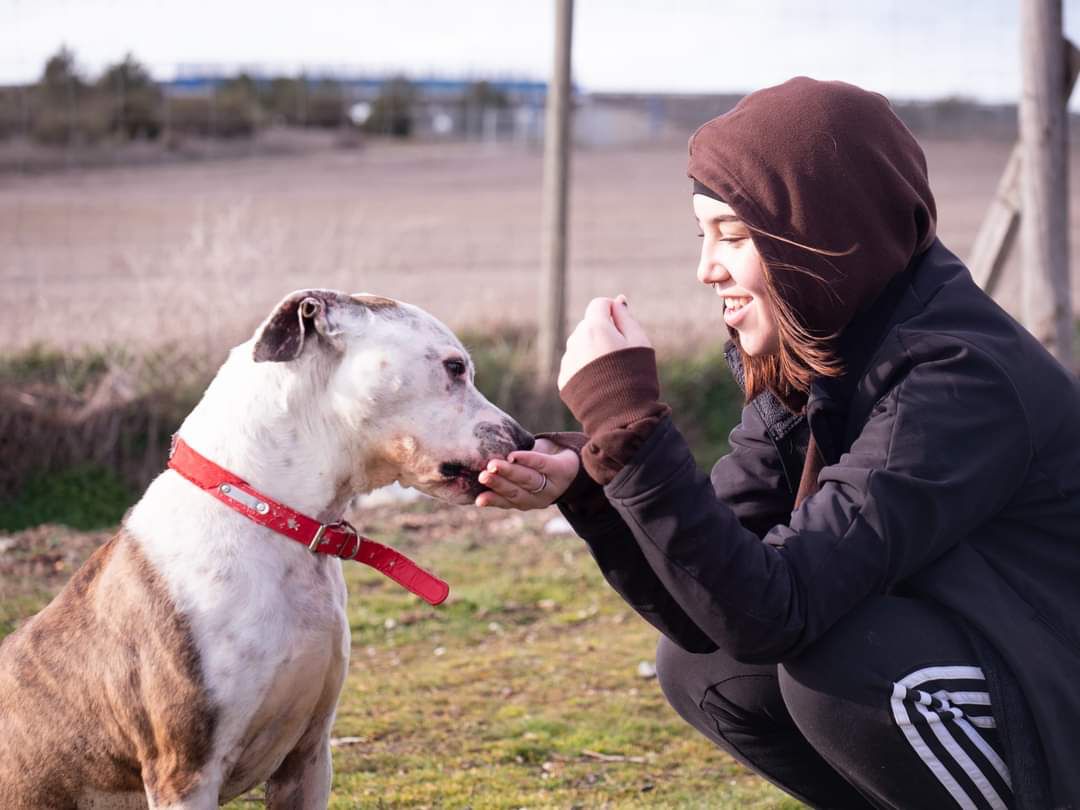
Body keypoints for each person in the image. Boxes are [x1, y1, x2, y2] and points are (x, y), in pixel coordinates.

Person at [475, 77, 1080, 810]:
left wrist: (627, 423)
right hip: (980, 668)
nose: (708, 268)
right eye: (704, 236)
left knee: (841, 661)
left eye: (733, 235)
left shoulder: (958, 380)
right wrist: (591, 483)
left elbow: (776, 611)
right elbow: (712, 601)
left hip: (1054, 693)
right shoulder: (818, 360)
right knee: (704, 668)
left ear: (825, 235)